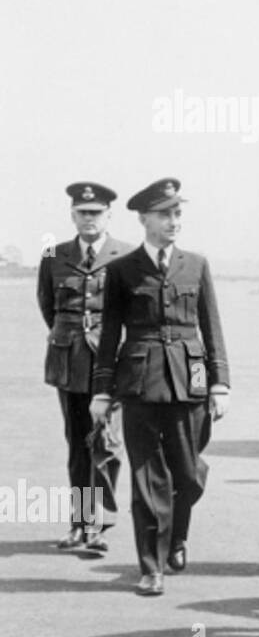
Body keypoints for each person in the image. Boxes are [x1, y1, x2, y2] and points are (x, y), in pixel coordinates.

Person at [89, 178, 230, 596]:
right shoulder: (121, 270)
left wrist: (220, 384)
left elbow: (212, 327)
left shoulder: (196, 264)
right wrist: (101, 391)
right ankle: (151, 565)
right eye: (165, 214)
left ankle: (178, 535)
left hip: (191, 383)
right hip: (139, 384)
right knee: (147, 478)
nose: (174, 221)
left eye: (177, 213)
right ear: (143, 219)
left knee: (187, 475)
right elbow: (110, 333)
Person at [37, 182, 131, 553]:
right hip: (70, 360)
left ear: (109, 215)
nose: (89, 219)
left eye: (96, 213)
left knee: (105, 442)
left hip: (110, 363)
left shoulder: (126, 255)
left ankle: (98, 524)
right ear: (72, 215)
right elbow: (48, 306)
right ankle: (79, 521)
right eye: (83, 213)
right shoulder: (53, 256)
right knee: (77, 443)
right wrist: (71, 340)